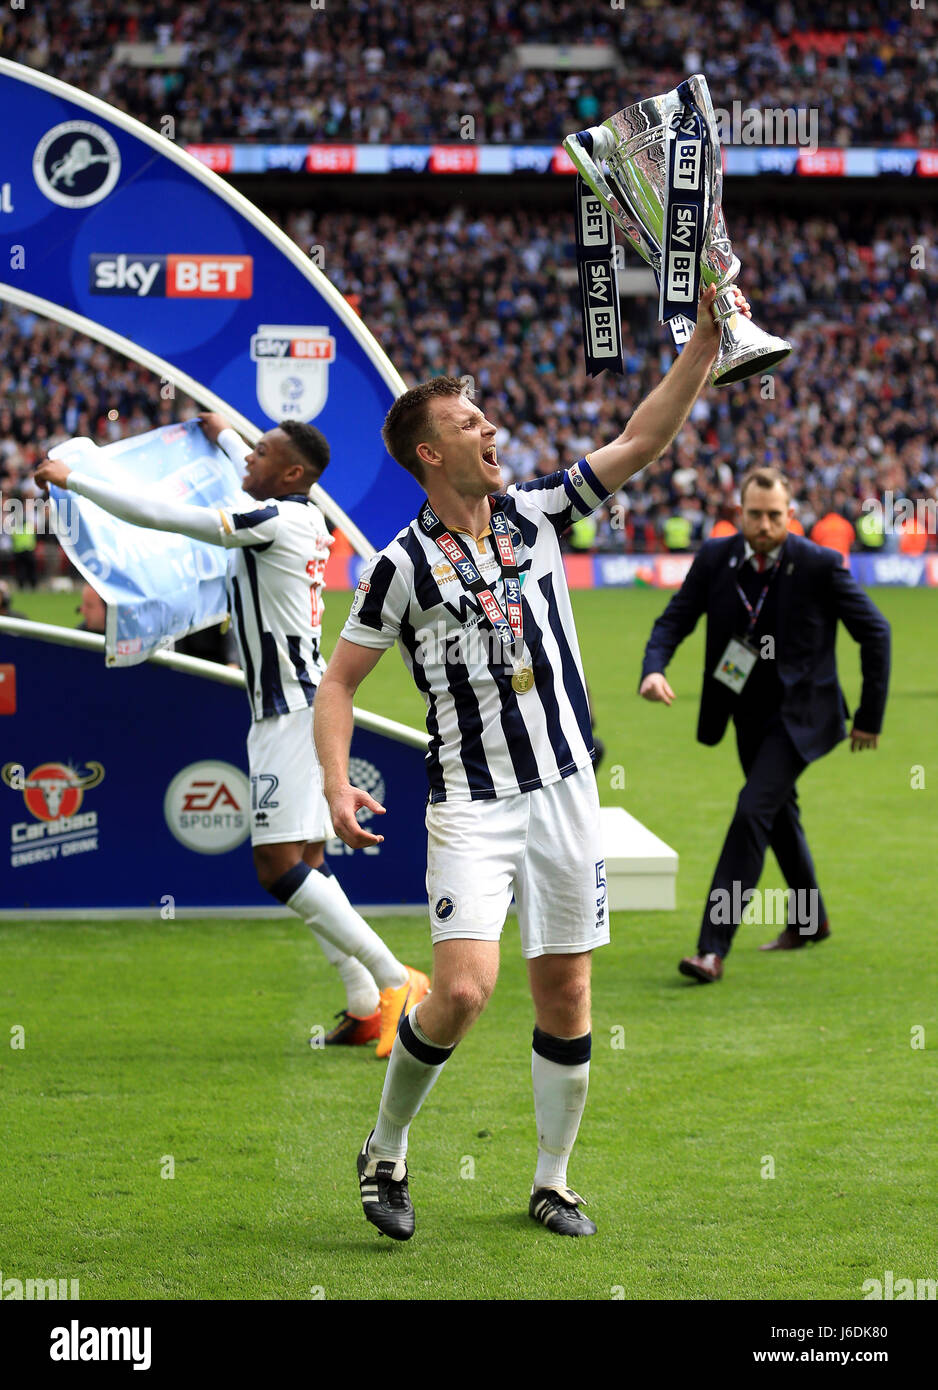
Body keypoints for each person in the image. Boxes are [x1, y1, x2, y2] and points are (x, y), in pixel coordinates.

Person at [314, 283, 748, 1241]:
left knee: (569, 991)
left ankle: (552, 1180)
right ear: (432, 452)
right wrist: (337, 782)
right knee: (463, 990)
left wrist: (707, 343)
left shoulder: (538, 512)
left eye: (486, 416)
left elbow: (640, 441)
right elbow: (338, 684)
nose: (492, 429)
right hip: (471, 802)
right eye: (471, 421)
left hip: (564, 792)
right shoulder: (400, 568)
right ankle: (384, 1149)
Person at [35, 416, 428, 1056]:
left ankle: (396, 980)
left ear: (292, 472)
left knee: (274, 868)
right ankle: (364, 1002)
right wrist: (221, 435)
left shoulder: (272, 520)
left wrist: (73, 480)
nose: (248, 458)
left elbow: (164, 517)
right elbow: (253, 461)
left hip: (291, 713)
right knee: (306, 862)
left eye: (262, 452)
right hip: (290, 705)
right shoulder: (295, 513)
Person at [639, 467, 891, 982]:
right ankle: (810, 919)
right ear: (740, 513)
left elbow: (876, 632)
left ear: (790, 516)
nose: (764, 524)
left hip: (804, 717)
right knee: (777, 813)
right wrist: (654, 668)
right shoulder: (716, 558)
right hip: (744, 712)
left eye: (775, 515)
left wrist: (868, 716)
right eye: (754, 514)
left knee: (752, 810)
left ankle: (711, 948)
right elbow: (674, 619)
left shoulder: (819, 564)